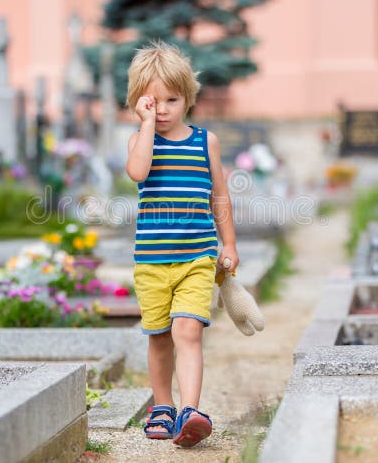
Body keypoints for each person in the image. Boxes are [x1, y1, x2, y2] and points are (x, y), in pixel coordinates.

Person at [126, 40, 239, 448]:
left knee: (187, 331)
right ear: (139, 103)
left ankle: (190, 411)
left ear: (188, 97)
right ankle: (162, 405)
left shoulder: (204, 142)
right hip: (153, 263)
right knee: (159, 336)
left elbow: (219, 196)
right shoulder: (142, 142)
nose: (164, 109)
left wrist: (228, 243)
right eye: (153, 102)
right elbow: (138, 173)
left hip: (196, 256)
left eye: (172, 99)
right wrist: (145, 126)